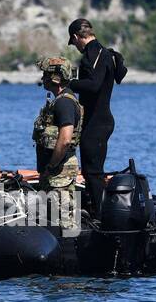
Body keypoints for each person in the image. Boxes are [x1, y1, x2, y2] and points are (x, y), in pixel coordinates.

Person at [66, 18, 115, 215]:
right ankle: (99, 210)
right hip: (102, 120)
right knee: (94, 171)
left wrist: (70, 84)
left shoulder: (91, 54)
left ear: (77, 37)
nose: (75, 47)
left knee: (92, 172)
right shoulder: (107, 53)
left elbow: (93, 85)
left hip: (97, 122)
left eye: (74, 42)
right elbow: (120, 74)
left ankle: (101, 215)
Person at [33, 55, 83, 229]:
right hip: (55, 172)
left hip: (59, 172)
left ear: (56, 77)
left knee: (64, 222)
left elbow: (65, 139)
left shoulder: (64, 104)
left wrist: (52, 166)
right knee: (53, 219)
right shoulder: (60, 101)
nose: (43, 78)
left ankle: (69, 253)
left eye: (46, 74)